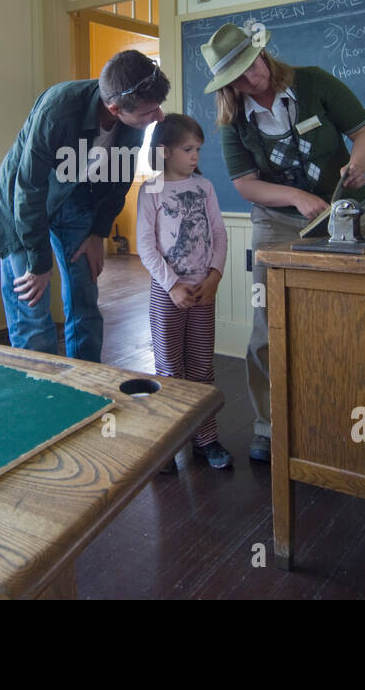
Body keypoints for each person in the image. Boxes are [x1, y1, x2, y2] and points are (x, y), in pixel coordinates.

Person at [202, 20, 365, 462]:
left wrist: (357, 164)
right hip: (276, 224)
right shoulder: (233, 120)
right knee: (268, 324)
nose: (252, 77)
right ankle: (267, 424)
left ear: (263, 54)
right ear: (229, 85)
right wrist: (296, 197)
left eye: (253, 64)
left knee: (345, 318)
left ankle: (346, 417)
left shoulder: (315, 82)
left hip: (343, 214)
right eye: (238, 76)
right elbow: (245, 184)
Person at [0, 50, 168, 362]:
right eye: (149, 112)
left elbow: (120, 182)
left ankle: (88, 391)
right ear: (114, 109)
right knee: (33, 314)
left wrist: (98, 233)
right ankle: (44, 401)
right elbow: (28, 187)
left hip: (78, 199)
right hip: (23, 208)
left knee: (85, 305)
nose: (159, 117)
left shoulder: (132, 123)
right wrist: (39, 262)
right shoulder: (57, 111)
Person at [136, 113, 230, 469]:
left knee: (202, 367)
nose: (195, 156)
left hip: (203, 291)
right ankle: (169, 442)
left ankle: (206, 438)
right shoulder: (152, 190)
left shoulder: (204, 188)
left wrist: (215, 276)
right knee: (170, 369)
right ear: (164, 151)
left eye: (198, 150)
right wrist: (172, 284)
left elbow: (219, 234)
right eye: (188, 149)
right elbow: (146, 246)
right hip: (167, 293)